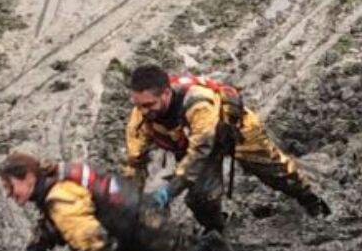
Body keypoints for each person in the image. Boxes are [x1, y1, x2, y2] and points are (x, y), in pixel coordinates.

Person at [123, 65, 331, 233]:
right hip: (191, 142)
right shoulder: (140, 118)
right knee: (201, 197)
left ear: (166, 93)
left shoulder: (197, 102)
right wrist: (131, 202)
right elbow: (135, 161)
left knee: (275, 171)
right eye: (138, 105)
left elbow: (200, 151)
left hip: (235, 132)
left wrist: (169, 191)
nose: (143, 111)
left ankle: (310, 199)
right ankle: (216, 228)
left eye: (149, 105)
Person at [0, 152, 190, 251]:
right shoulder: (58, 175)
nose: (8, 194)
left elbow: (93, 242)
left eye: (10, 186)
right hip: (144, 213)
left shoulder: (58, 198)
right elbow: (49, 229)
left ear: (28, 177)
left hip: (149, 236)